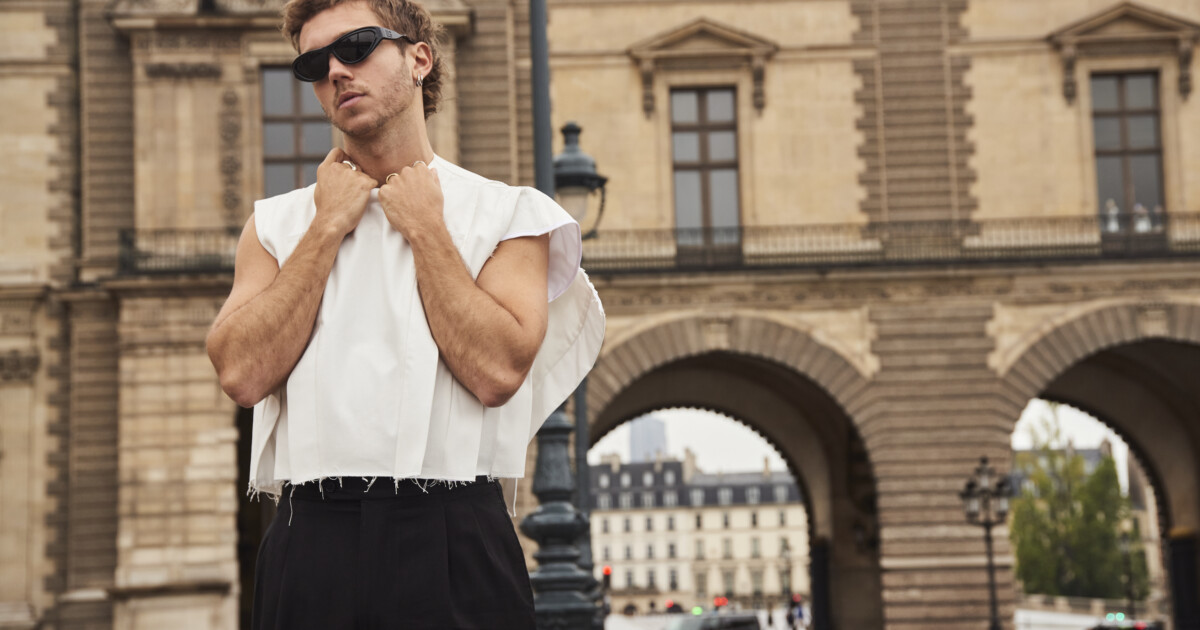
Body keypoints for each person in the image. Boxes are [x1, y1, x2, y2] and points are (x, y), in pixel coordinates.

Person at [204, 0, 604, 627]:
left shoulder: (512, 215)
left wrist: (425, 228)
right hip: (309, 537)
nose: (335, 70)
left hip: (454, 532)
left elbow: (497, 370)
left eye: (357, 46)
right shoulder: (277, 224)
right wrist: (326, 226)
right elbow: (241, 374)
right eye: (314, 62)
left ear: (420, 58)